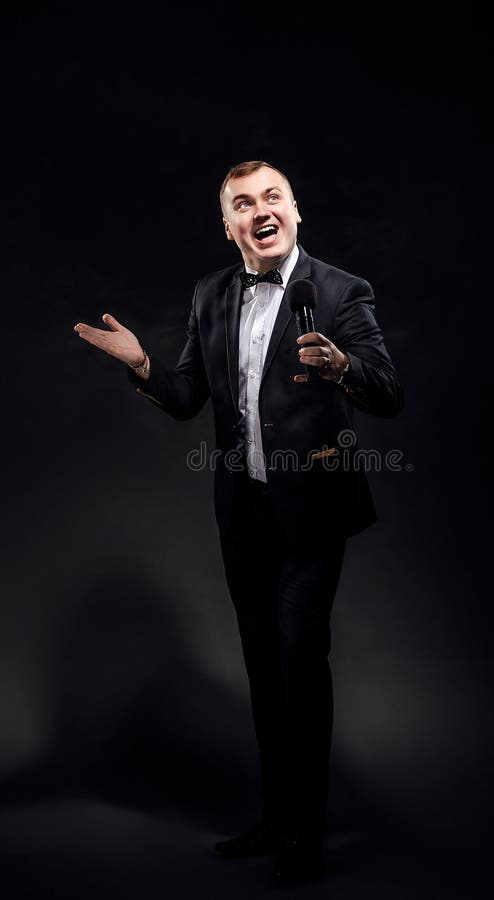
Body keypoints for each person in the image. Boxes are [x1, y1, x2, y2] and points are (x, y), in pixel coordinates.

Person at [74, 159, 402, 885]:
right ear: (229, 226)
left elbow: (388, 391)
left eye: (274, 196)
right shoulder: (210, 294)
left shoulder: (342, 291)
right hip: (243, 512)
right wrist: (141, 365)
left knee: (297, 666)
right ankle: (276, 818)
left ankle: (305, 832)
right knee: (262, 669)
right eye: (244, 202)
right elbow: (189, 395)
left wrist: (344, 364)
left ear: (295, 211)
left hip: (314, 510)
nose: (262, 208)